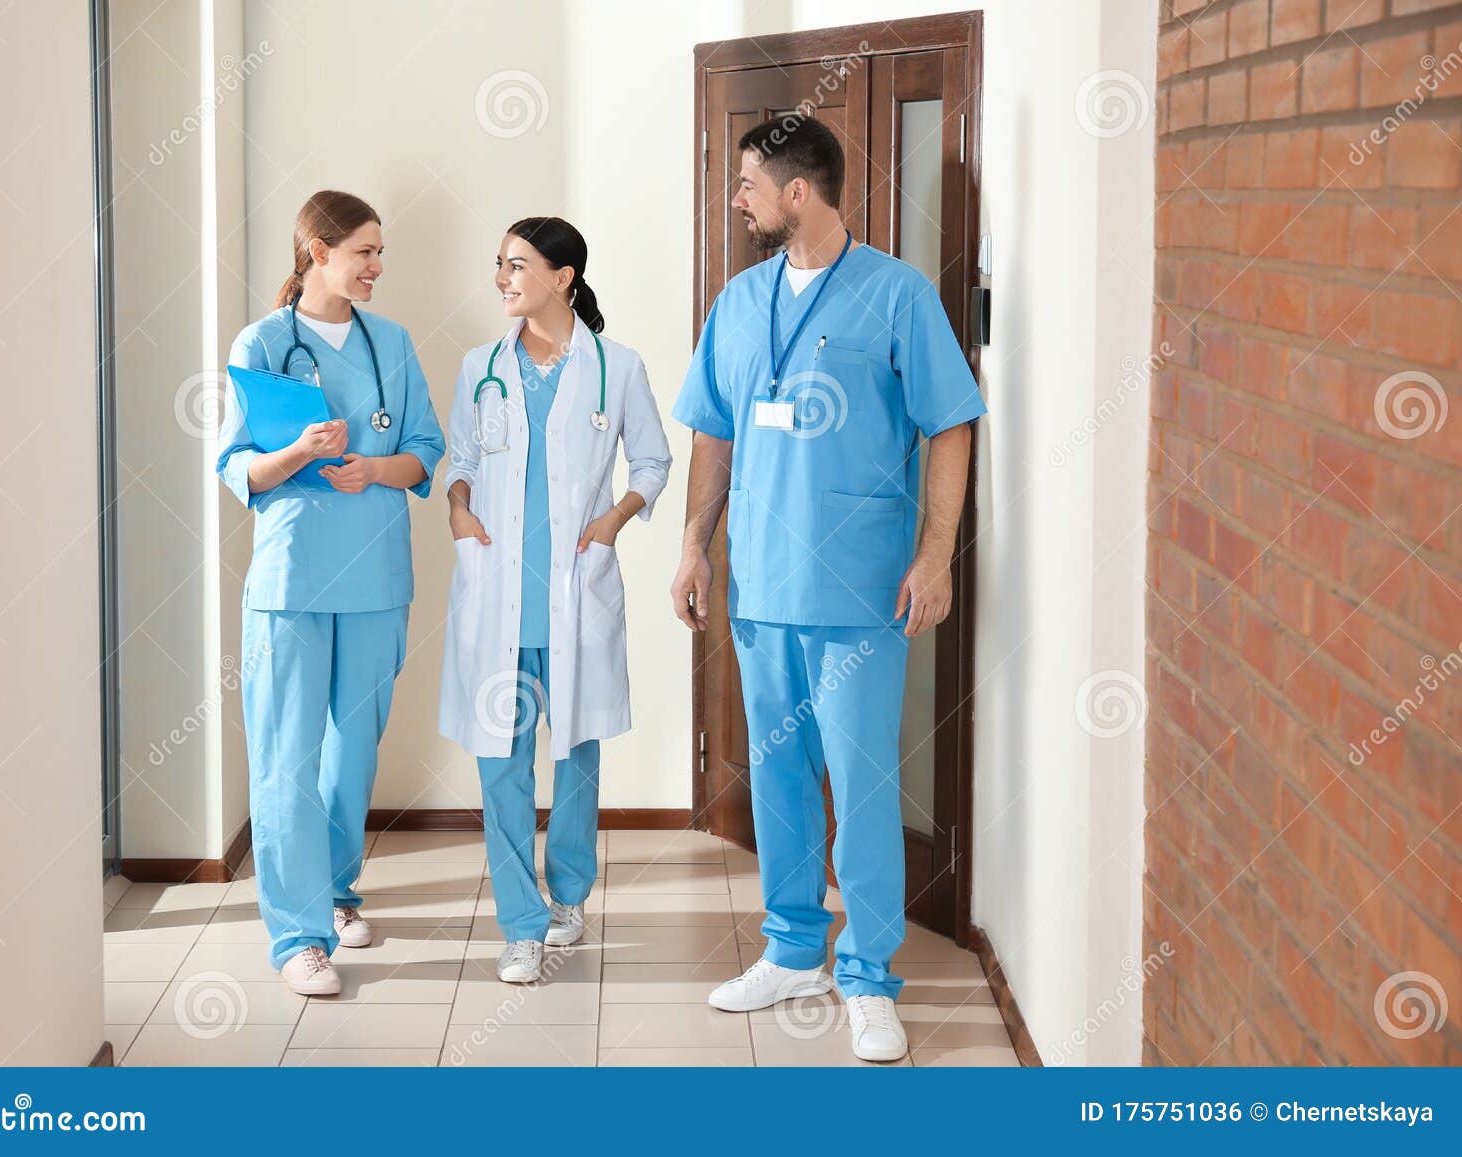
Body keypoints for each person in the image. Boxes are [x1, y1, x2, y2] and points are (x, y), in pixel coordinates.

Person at [669, 117, 986, 1061]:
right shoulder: (738, 299)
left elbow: (952, 424)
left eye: (749, 184)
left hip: (857, 590)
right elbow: (714, 435)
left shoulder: (896, 295)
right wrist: (694, 544)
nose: (739, 198)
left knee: (862, 783)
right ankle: (795, 948)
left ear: (797, 191)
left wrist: (936, 555)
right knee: (776, 777)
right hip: (759, 584)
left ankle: (870, 977)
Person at [216, 190, 446, 996]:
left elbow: (424, 448)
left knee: (352, 753)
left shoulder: (393, 342)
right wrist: (297, 451)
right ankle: (298, 936)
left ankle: (339, 893)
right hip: (292, 578)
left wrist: (373, 469)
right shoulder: (263, 342)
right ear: (318, 250)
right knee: (286, 755)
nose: (378, 266)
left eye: (381, 253)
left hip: (377, 576)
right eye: (365, 252)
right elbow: (237, 467)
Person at [439, 217, 671, 983]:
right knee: (501, 766)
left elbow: (653, 458)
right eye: (499, 265)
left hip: (575, 594)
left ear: (563, 275)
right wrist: (459, 505)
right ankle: (521, 925)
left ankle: (569, 894)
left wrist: (612, 519)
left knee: (576, 761)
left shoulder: (617, 366)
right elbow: (462, 456)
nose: (503, 278)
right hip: (497, 590)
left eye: (517, 265)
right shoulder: (482, 364)